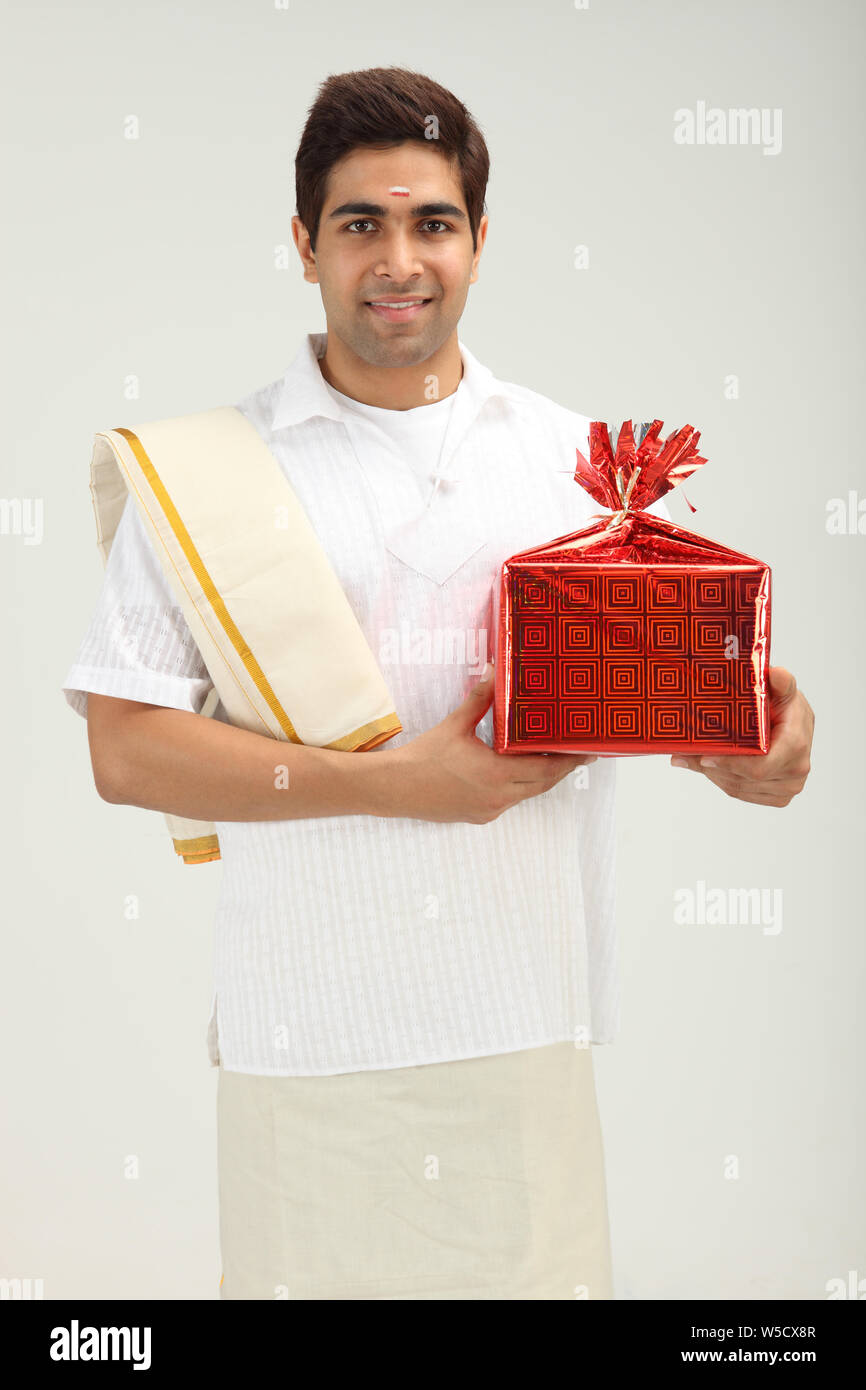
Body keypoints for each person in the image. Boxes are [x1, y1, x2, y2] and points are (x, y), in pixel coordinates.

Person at [61, 66, 815, 1301]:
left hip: (521, 1035)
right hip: (301, 1044)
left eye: (432, 223)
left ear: (477, 240)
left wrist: (764, 752)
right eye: (360, 224)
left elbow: (713, 717)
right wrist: (402, 783)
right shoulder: (211, 471)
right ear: (303, 244)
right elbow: (126, 752)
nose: (398, 260)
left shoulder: (586, 468)